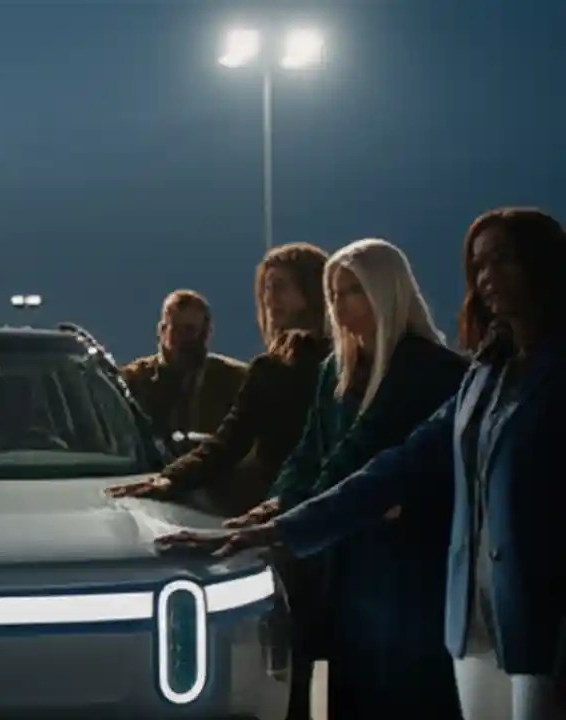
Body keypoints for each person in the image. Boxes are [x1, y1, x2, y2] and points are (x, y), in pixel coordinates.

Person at [158, 209, 566, 720]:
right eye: (477, 265)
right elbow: (388, 463)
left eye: (502, 259)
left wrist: (280, 523)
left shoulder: (440, 367)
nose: (486, 278)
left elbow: (366, 456)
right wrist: (278, 519)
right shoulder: (487, 371)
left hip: (510, 600)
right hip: (470, 608)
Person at [107, 242, 330, 720]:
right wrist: (167, 481)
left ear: (312, 290)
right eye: (265, 288)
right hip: (284, 518)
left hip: (326, 514)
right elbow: (229, 442)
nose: (270, 298)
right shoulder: (270, 369)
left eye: (281, 287)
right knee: (295, 655)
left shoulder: (343, 362)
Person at [120, 289, 248, 440]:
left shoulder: (234, 380)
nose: (184, 339)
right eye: (176, 330)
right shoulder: (135, 380)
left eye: (191, 330)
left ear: (207, 334)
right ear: (162, 331)